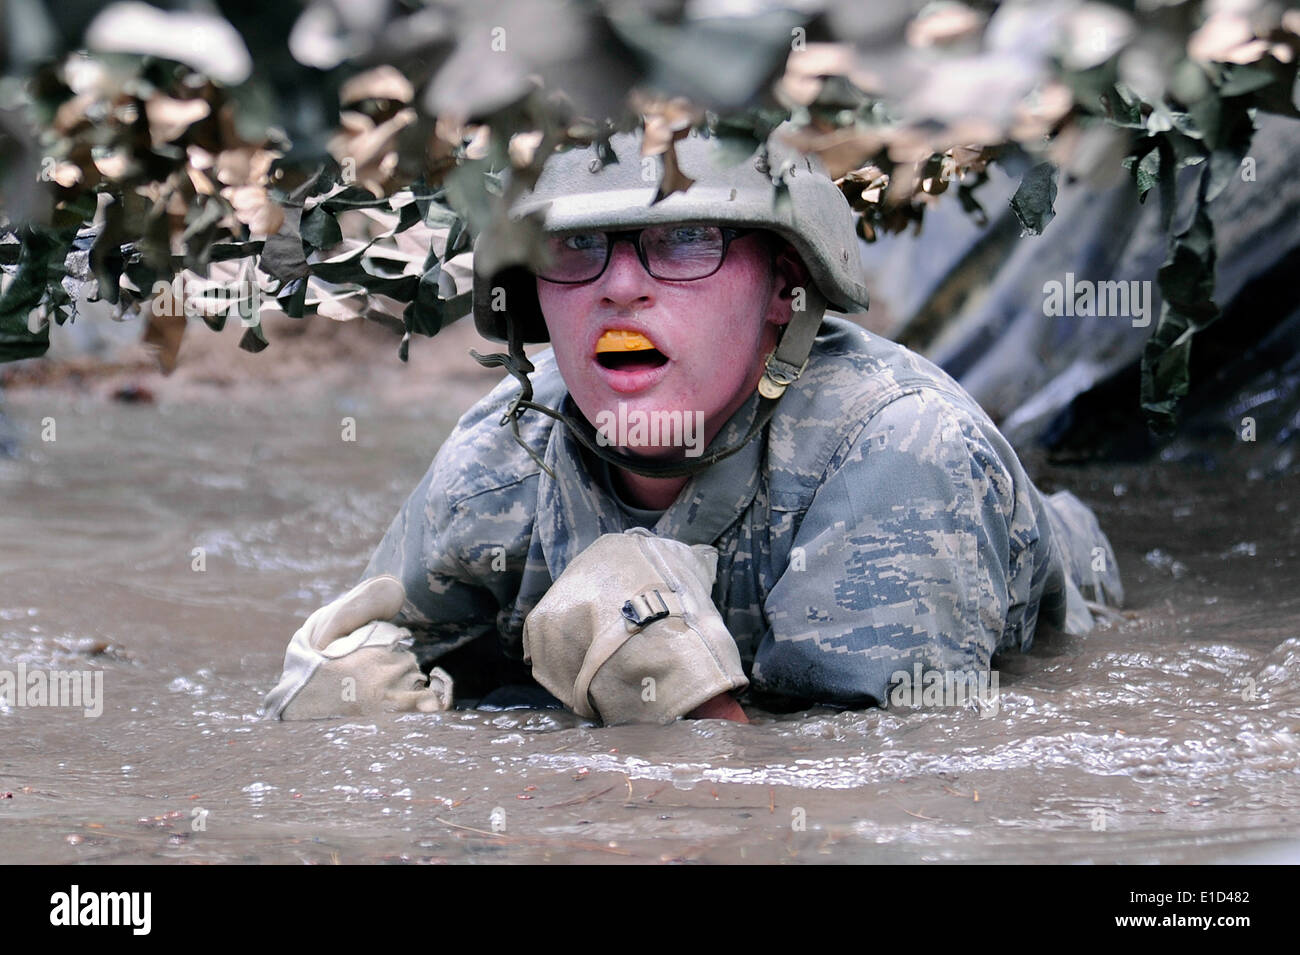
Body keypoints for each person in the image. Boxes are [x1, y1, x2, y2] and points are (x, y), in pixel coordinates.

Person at [262, 126, 1123, 724]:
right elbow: (365, 653)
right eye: (575, 248)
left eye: (685, 240)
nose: (621, 287)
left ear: (785, 285)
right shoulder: (502, 462)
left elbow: (882, 796)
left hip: (1072, 592)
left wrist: (691, 712)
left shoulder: (900, 454)